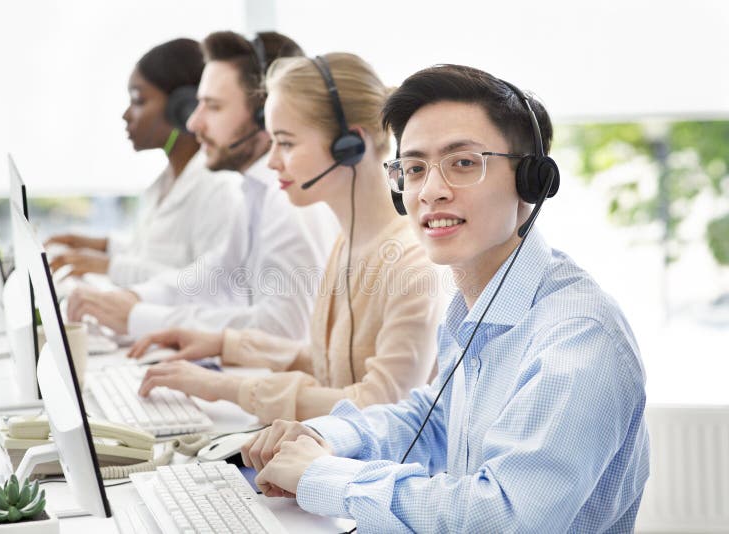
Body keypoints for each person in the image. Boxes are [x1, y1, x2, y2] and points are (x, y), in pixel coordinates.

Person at [242, 64, 650, 532]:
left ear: (530, 182)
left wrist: (325, 475)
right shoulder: (474, 305)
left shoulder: (578, 339)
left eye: (463, 163)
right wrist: (326, 436)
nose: (431, 191)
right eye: (414, 169)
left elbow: (501, 515)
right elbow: (433, 420)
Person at [128, 53, 443, 424]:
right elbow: (333, 363)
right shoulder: (350, 242)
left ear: (349, 146)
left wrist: (227, 389)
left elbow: (380, 404)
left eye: (287, 143)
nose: (273, 161)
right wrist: (224, 344)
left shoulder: (412, 265)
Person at [66, 31, 337, 341]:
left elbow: (285, 329)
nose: (193, 123)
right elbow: (215, 276)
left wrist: (140, 318)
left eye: (213, 106)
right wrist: (135, 299)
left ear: (266, 115)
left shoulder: (290, 200)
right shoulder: (255, 190)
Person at [46, 38, 242, 287]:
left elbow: (210, 287)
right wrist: (97, 245)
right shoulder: (166, 180)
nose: (126, 115)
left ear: (183, 107)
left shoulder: (218, 189)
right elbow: (152, 253)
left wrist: (108, 266)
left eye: (138, 101)